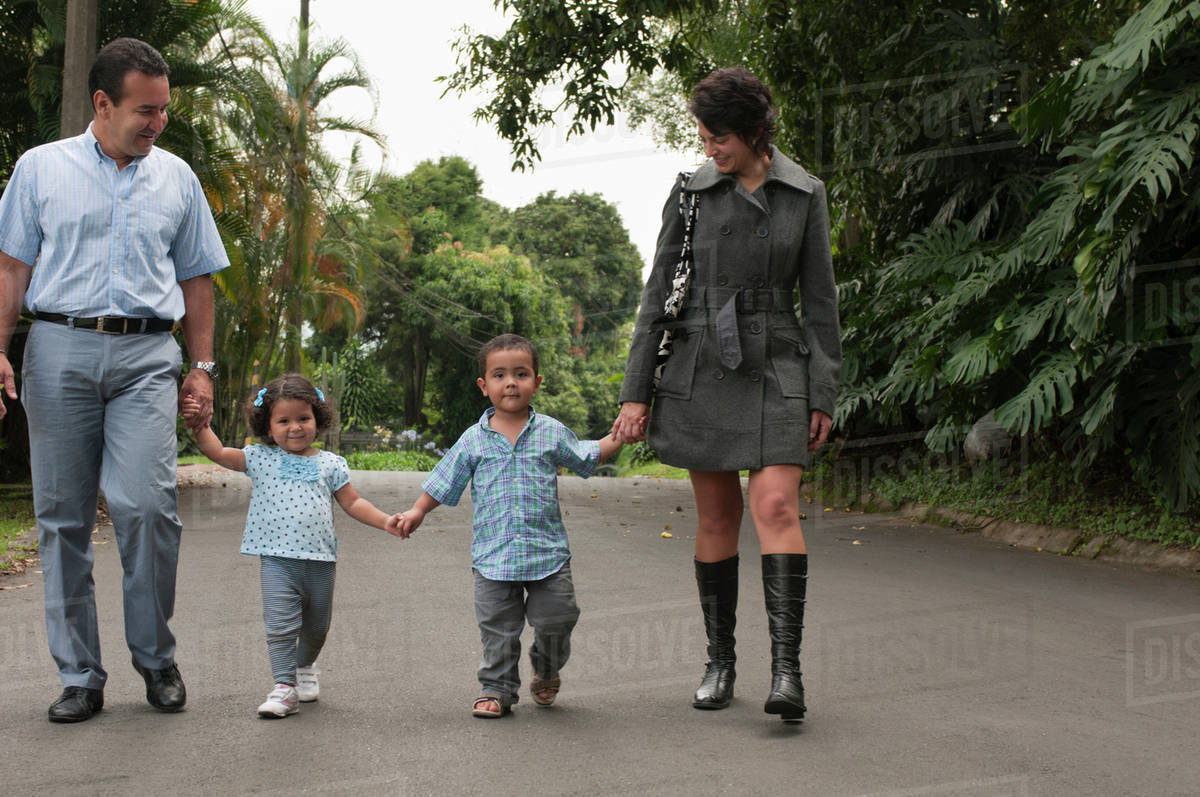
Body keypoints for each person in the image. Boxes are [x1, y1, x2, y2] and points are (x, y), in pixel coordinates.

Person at [0, 38, 230, 723]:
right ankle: (79, 675)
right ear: (103, 103)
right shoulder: (41, 169)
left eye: (164, 109)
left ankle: (156, 658)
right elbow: (11, 268)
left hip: (146, 356)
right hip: (58, 350)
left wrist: (202, 367)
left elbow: (197, 277)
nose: (159, 121)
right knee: (63, 517)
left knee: (147, 506)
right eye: (145, 109)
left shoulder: (177, 178)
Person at [612, 67, 842, 722]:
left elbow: (820, 302)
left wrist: (823, 391)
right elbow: (657, 294)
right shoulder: (690, 193)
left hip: (777, 364)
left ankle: (788, 672)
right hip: (701, 361)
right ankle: (720, 662)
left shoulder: (804, 193)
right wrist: (636, 392)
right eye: (705, 138)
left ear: (753, 132)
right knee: (717, 518)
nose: (710, 148)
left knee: (776, 504)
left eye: (720, 138)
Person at [397, 333, 622, 718]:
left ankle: (546, 667)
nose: (511, 383)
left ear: (537, 381)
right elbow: (444, 480)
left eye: (521, 373)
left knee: (559, 618)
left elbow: (589, 454)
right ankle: (496, 689)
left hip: (548, 556)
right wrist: (417, 511)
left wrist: (623, 433)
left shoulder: (550, 431)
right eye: (499, 375)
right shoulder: (473, 440)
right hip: (493, 558)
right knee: (497, 630)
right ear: (484, 386)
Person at [183, 374, 406, 718]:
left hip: (320, 561)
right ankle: (284, 687)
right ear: (267, 425)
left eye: (303, 418)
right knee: (280, 626)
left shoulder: (330, 464)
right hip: (277, 560)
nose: (295, 427)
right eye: (283, 421)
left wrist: (386, 521)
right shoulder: (259, 458)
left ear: (318, 418)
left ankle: (304, 667)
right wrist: (200, 426)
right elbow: (218, 452)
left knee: (316, 629)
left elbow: (353, 502)